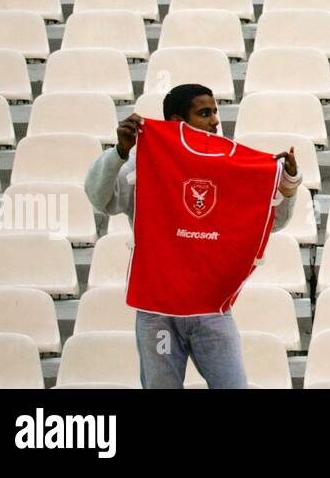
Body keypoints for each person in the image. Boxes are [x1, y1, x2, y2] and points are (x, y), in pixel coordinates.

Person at [84, 83, 302, 389]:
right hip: (158, 311)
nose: (215, 120)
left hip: (211, 309)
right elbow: (101, 200)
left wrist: (287, 184)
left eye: (214, 112)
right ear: (177, 122)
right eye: (204, 113)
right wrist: (119, 152)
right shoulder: (144, 162)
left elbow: (270, 223)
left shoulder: (231, 165)